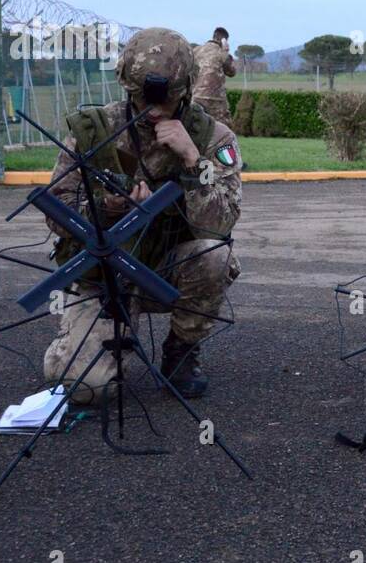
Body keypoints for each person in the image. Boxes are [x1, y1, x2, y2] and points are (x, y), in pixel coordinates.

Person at [43, 27, 243, 401]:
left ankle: (181, 351)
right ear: (125, 84)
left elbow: (221, 222)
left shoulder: (212, 138)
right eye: (140, 96)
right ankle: (93, 337)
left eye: (164, 98)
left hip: (168, 270)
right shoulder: (93, 131)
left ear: (185, 88)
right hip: (106, 273)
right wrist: (106, 207)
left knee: (214, 256)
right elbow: (57, 213)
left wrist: (191, 160)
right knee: (86, 388)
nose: (153, 108)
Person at [192, 26, 238, 129]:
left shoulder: (196, 51)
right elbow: (232, 72)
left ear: (213, 36)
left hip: (194, 98)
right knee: (225, 130)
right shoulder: (222, 52)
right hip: (215, 101)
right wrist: (226, 50)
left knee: (196, 128)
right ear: (224, 40)